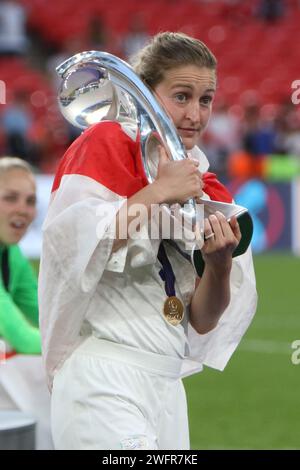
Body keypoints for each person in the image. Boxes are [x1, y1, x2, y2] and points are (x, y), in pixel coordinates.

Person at [39, 32, 257, 450]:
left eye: (205, 99)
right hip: (101, 374)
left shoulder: (205, 185)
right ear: (145, 94)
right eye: (181, 96)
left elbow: (203, 320)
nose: (195, 113)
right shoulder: (105, 143)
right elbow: (70, 249)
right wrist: (157, 192)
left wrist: (220, 264)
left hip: (167, 387)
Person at [0, 156, 52, 449]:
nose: (23, 209)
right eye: (10, 198)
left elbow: (47, 313)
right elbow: (20, 336)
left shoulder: (11, 255)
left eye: (31, 201)